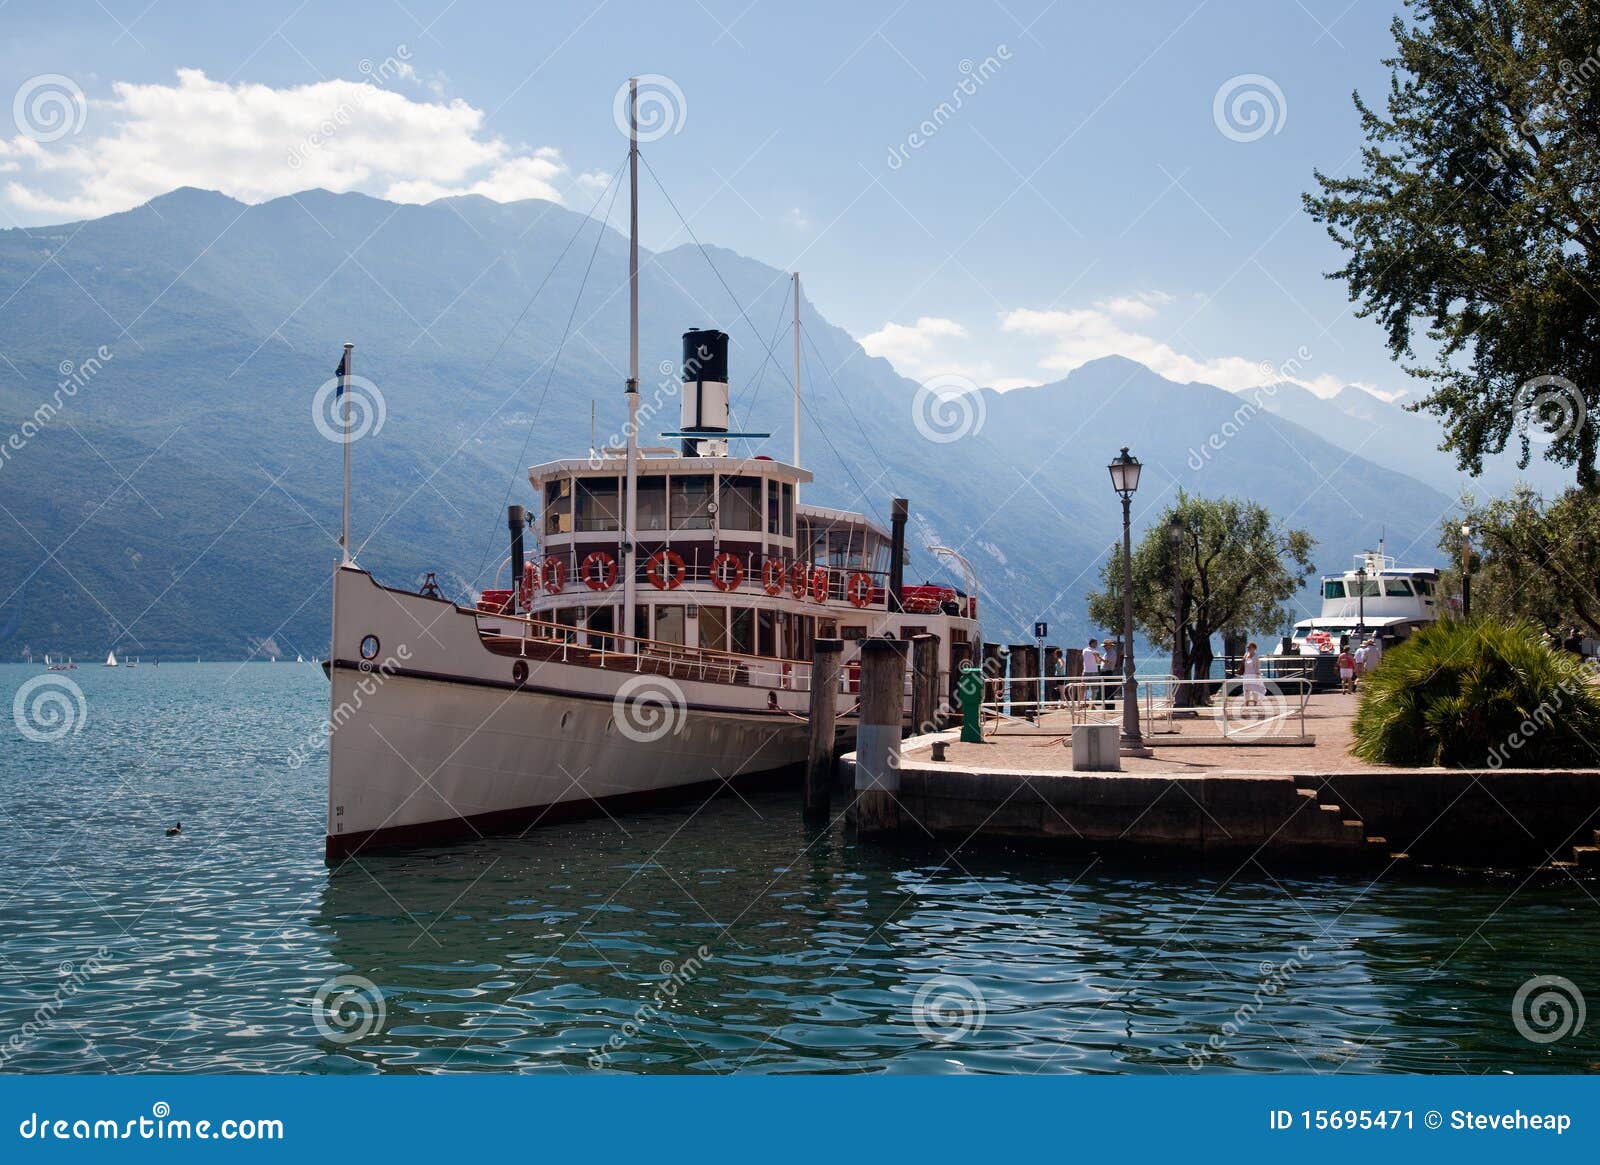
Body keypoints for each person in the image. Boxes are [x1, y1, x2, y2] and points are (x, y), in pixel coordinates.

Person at [1241, 641, 1266, 714]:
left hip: (1254, 675)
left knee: (1255, 690)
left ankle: (1255, 705)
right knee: (1246, 690)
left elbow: (1257, 666)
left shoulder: (1256, 656)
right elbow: (1243, 665)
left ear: (1254, 648)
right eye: (1247, 647)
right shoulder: (1246, 654)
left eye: (1249, 647)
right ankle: (1247, 705)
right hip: (1246, 675)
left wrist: (1258, 675)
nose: (1248, 649)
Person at [1082, 638, 1102, 708]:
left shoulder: (1084, 650)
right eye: (1096, 643)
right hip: (1094, 671)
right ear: (1092, 643)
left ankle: (1083, 702)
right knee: (1094, 690)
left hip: (1086, 671)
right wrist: (1097, 656)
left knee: (1084, 689)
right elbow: (1098, 662)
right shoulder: (1095, 651)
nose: (1097, 645)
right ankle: (1092, 705)